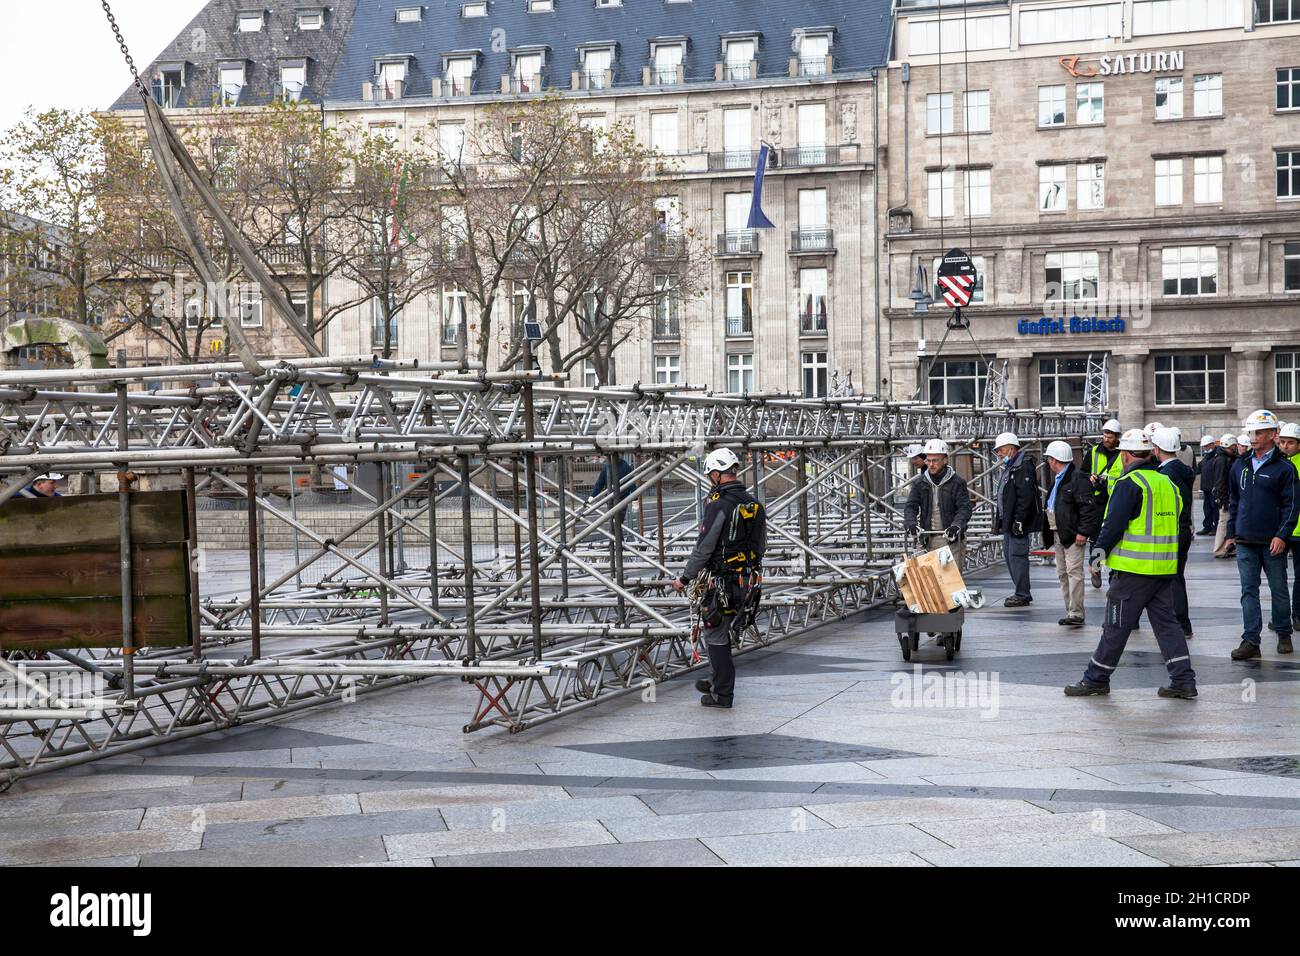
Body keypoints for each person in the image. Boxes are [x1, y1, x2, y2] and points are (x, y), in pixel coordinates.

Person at [1064, 429, 1196, 699]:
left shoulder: (1130, 483)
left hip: (1134, 571)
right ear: (1150, 453)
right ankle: (1183, 680)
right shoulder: (1167, 484)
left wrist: (1097, 557)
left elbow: (1112, 525)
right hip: (1163, 569)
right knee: (1167, 625)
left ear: (1124, 455)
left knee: (1115, 625)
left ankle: (1096, 678)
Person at [674, 447, 767, 708]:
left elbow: (704, 547)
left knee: (715, 634)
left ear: (716, 474)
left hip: (722, 582)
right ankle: (717, 680)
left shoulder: (719, 505)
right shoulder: (754, 504)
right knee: (726, 631)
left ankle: (722, 694)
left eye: (710, 475)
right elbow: (760, 545)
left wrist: (685, 578)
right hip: (748, 581)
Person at [1226, 410, 1297, 659]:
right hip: (1245, 539)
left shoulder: (1284, 468)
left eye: (1258, 432)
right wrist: (1231, 532)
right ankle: (1251, 640)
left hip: (1272, 541)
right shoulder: (1240, 464)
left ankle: (1283, 632)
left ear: (1272, 434)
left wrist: (1282, 535)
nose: (1252, 437)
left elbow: (1291, 505)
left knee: (1278, 589)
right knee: (1248, 590)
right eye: (1250, 432)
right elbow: (1234, 500)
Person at [1042, 441, 1100, 627]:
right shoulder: (1060, 480)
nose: (1048, 463)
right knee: (1062, 573)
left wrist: (1083, 532)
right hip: (1058, 532)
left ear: (1055, 460)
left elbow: (1087, 508)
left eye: (1049, 459)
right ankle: (1070, 609)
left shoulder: (1077, 479)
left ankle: (1076, 613)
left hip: (1073, 534)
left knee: (1074, 572)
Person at [1153, 427, 1196, 639]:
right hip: (1184, 528)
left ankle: (1179, 623)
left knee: (1172, 580)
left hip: (1173, 530)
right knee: (1177, 577)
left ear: (1158, 449)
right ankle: (1182, 622)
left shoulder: (1165, 474)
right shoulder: (1182, 469)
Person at [904, 439, 973, 567]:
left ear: (945, 460)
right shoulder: (920, 483)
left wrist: (956, 526)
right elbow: (910, 506)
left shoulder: (957, 483)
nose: (931, 464)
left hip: (951, 540)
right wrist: (911, 524)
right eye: (928, 461)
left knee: (950, 582)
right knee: (928, 582)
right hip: (927, 539)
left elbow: (964, 508)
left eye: (935, 460)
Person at [992, 432, 1041, 608]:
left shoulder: (1022, 467)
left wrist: (1019, 520)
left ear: (1012, 449)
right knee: (1009, 555)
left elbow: (1025, 496)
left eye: (1001, 450)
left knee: (1017, 556)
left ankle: (1022, 593)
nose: (999, 454)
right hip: (1009, 522)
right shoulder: (1012, 467)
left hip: (1017, 523)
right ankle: (1020, 591)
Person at [1085, 419, 1123, 588]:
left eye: (1110, 436)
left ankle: (1114, 574)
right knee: (1096, 538)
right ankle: (1096, 568)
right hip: (1097, 502)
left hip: (1116, 500)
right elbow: (1082, 474)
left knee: (1114, 537)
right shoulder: (1093, 452)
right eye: (1105, 435)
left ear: (1117, 437)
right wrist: (1090, 480)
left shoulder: (1124, 453)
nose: (1106, 439)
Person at [1280, 422, 1300, 635]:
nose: (1286, 446)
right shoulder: (1278, 464)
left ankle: (1297, 614)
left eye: (1291, 442)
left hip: (1298, 529)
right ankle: (1281, 616)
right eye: (1283, 442)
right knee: (1279, 578)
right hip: (1282, 530)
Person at [1212, 433, 1240, 559]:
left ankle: (1229, 547)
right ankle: (1219, 549)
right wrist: (1222, 499)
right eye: (1232, 447)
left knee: (1228, 522)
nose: (1234, 449)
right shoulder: (1222, 460)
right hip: (1225, 496)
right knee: (1223, 522)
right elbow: (1220, 482)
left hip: (1228, 495)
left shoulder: (1228, 458)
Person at [590, 456, 633, 530]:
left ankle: (616, 538)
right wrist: (592, 496)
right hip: (610, 498)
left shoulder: (625, 466)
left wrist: (635, 499)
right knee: (613, 520)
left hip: (622, 497)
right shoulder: (606, 467)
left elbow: (631, 482)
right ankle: (615, 538)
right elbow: (600, 483)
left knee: (619, 519)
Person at [1197, 435, 1220, 536]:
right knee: (1207, 508)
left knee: (1214, 508)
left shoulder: (1217, 456)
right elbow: (1200, 468)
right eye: (1204, 446)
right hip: (1206, 487)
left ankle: (1216, 527)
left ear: (1212, 444)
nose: (1205, 448)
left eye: (1206, 446)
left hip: (1213, 488)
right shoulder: (1207, 457)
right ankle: (1207, 526)